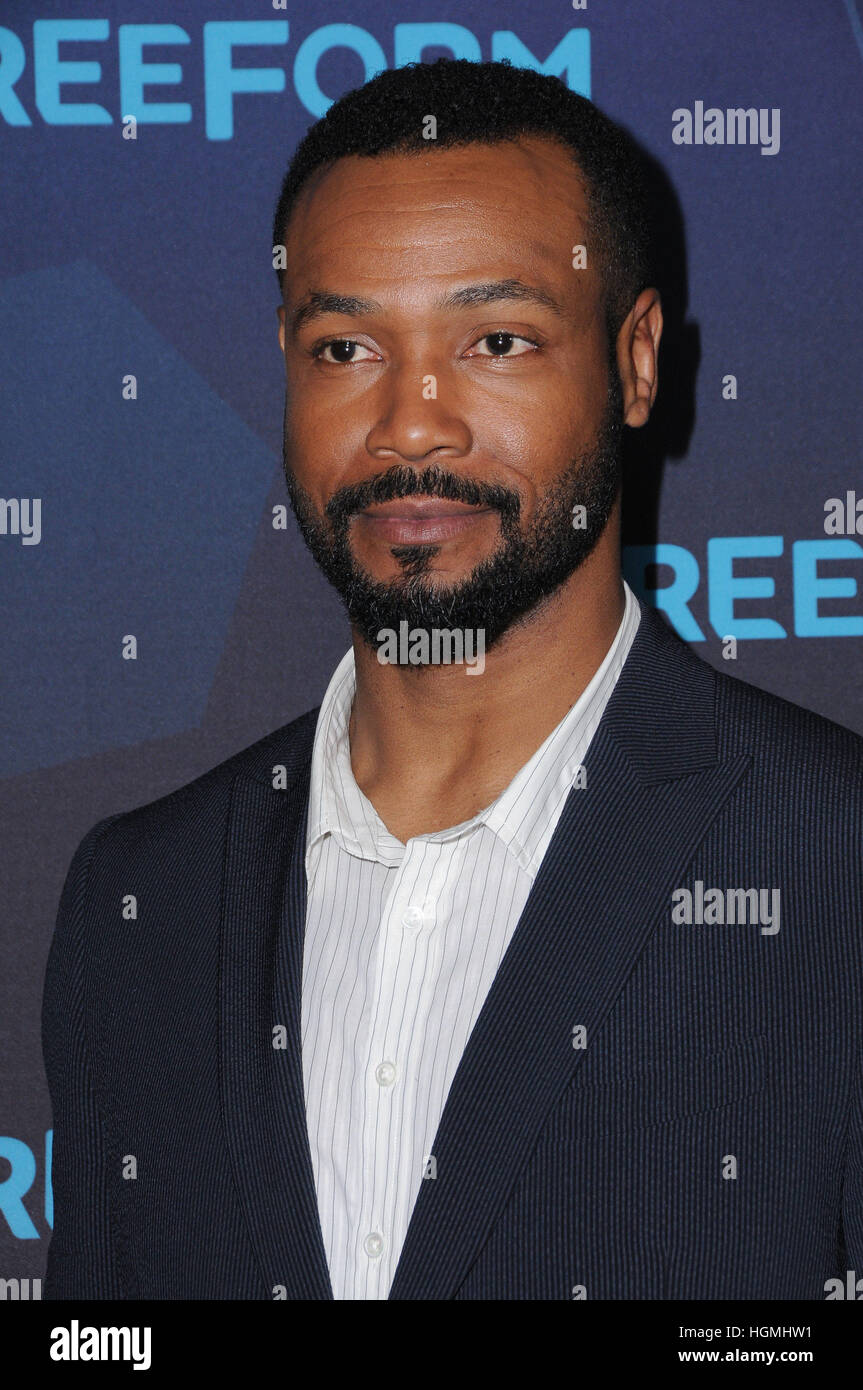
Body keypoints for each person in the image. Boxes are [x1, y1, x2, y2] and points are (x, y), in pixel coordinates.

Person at [43, 58, 862, 1301]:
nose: (410, 422)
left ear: (634, 361)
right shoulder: (137, 897)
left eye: (494, 339)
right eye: (347, 345)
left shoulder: (834, 862)